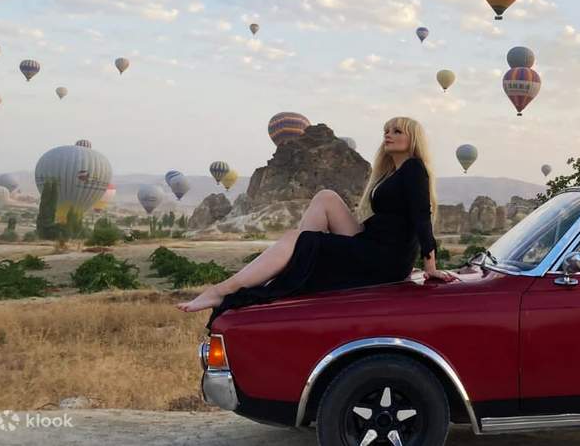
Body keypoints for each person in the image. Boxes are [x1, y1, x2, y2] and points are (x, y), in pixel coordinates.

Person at [176, 117, 456, 329]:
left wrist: (430, 265)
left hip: (385, 257)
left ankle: (222, 290)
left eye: (397, 131)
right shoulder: (391, 173)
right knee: (325, 197)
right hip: (375, 243)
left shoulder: (413, 168)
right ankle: (294, 263)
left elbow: (421, 215)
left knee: (294, 239)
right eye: (386, 130)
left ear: (414, 139)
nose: (388, 134)